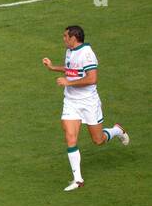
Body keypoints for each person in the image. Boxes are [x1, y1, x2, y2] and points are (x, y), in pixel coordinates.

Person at [41, 25, 129, 191]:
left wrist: (68, 82)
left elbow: (92, 79)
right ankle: (78, 179)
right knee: (70, 137)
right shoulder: (70, 51)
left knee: (98, 140)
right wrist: (53, 68)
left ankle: (116, 130)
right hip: (71, 102)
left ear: (74, 37)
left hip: (89, 102)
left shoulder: (87, 54)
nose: (64, 39)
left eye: (66, 36)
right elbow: (72, 70)